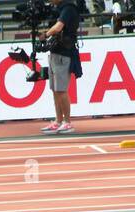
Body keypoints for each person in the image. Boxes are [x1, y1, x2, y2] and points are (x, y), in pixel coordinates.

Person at [39, 0, 81, 134]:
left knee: (61, 90)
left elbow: (58, 27)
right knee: (55, 90)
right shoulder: (58, 8)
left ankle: (67, 122)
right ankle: (58, 121)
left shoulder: (68, 8)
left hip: (64, 54)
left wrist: (45, 34)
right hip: (55, 52)